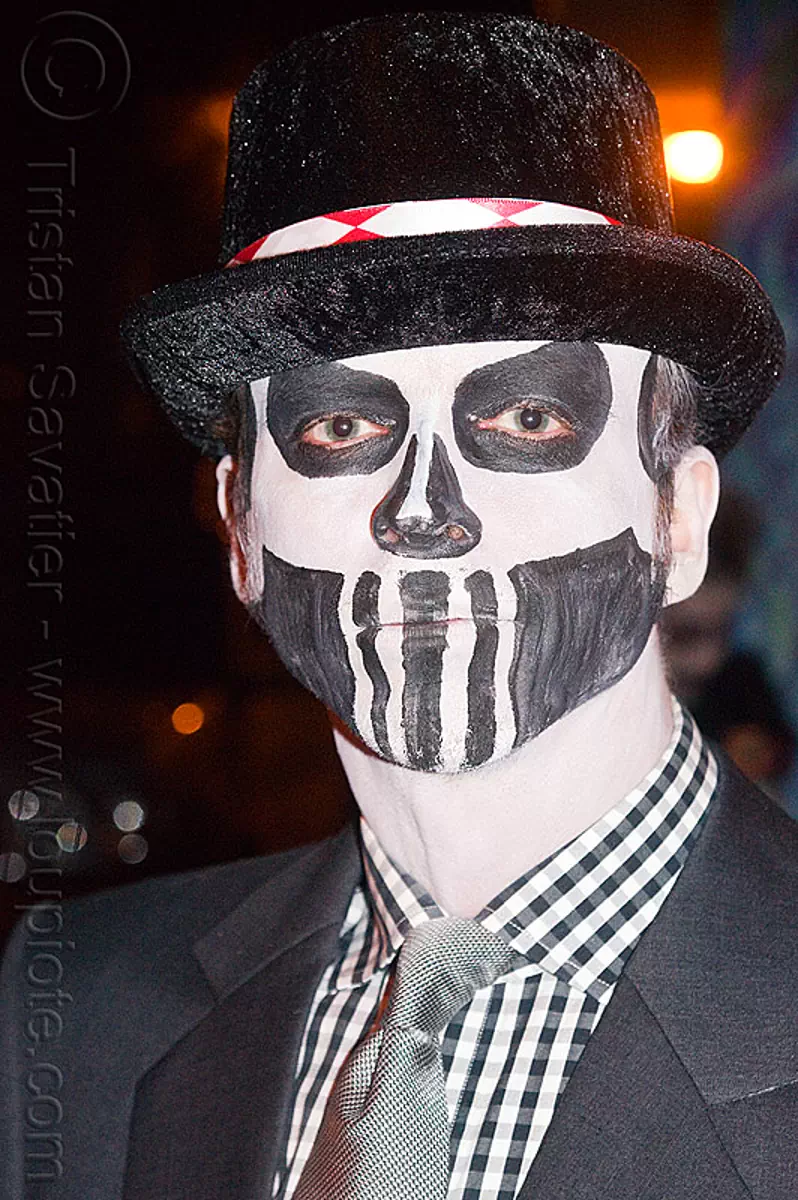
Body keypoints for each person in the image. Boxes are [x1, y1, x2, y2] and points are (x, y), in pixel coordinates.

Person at [2, 13, 796, 1199]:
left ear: (677, 515)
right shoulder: (74, 1012)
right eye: (339, 426)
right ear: (241, 526)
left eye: (526, 417)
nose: (423, 512)